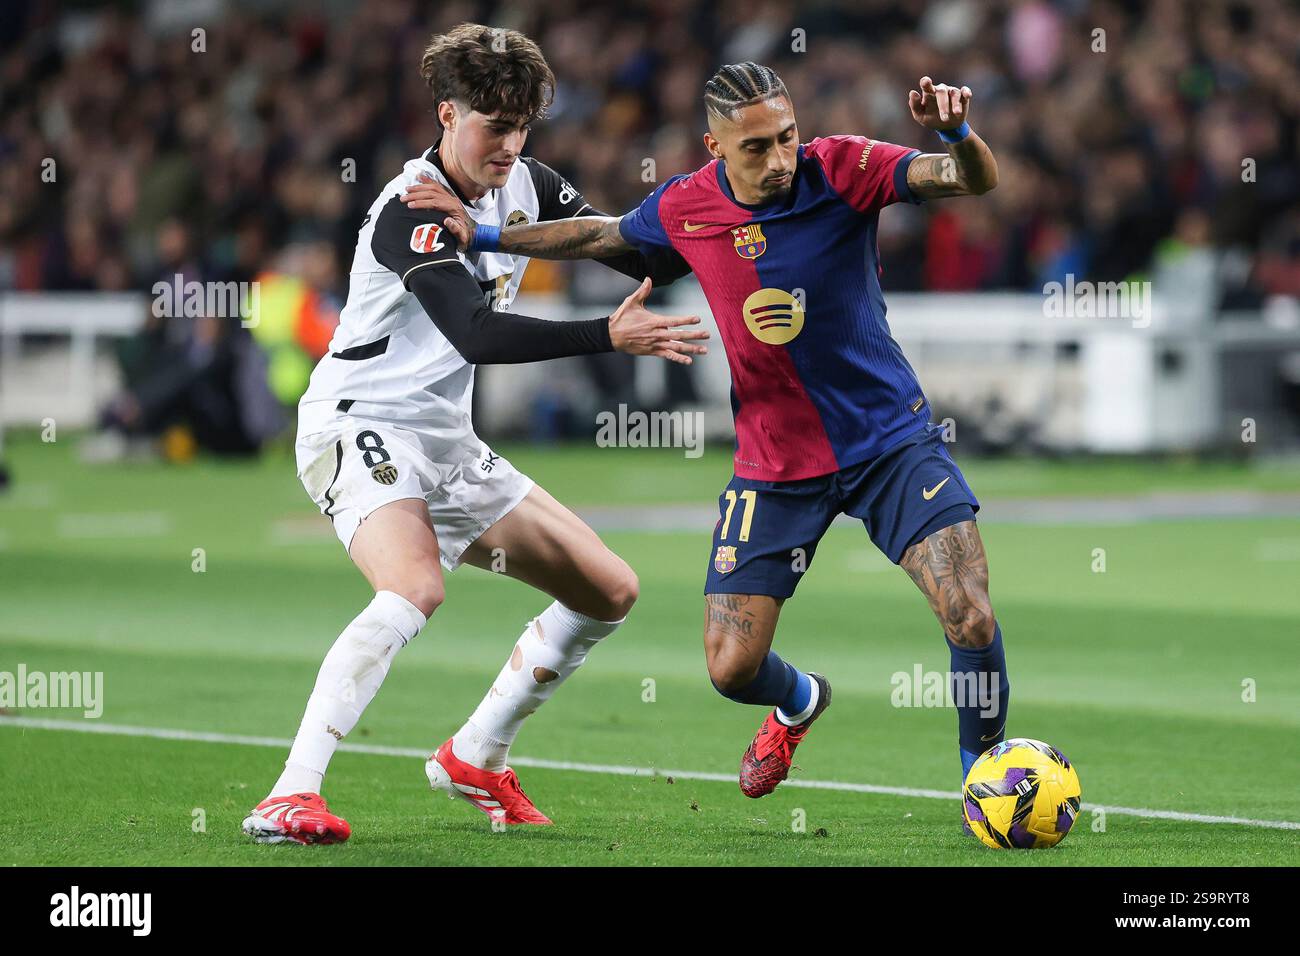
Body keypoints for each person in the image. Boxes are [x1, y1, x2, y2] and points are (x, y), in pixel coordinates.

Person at [406, 62, 1006, 828]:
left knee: (970, 614)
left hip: (889, 441)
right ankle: (800, 701)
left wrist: (956, 129)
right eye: (756, 147)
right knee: (731, 669)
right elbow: (601, 233)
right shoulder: (688, 205)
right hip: (775, 466)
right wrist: (484, 232)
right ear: (714, 146)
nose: (780, 159)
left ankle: (984, 781)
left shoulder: (847, 167)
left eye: (787, 137)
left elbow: (969, 179)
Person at [242, 24, 704, 844]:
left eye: (523, 126)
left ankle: (477, 754)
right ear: (447, 112)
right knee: (415, 586)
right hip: (360, 424)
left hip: (445, 439)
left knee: (609, 590)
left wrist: (723, 212)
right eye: (495, 125)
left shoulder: (526, 184)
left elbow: (641, 256)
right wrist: (608, 335)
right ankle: (290, 791)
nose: (510, 144)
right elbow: (478, 337)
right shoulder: (410, 208)